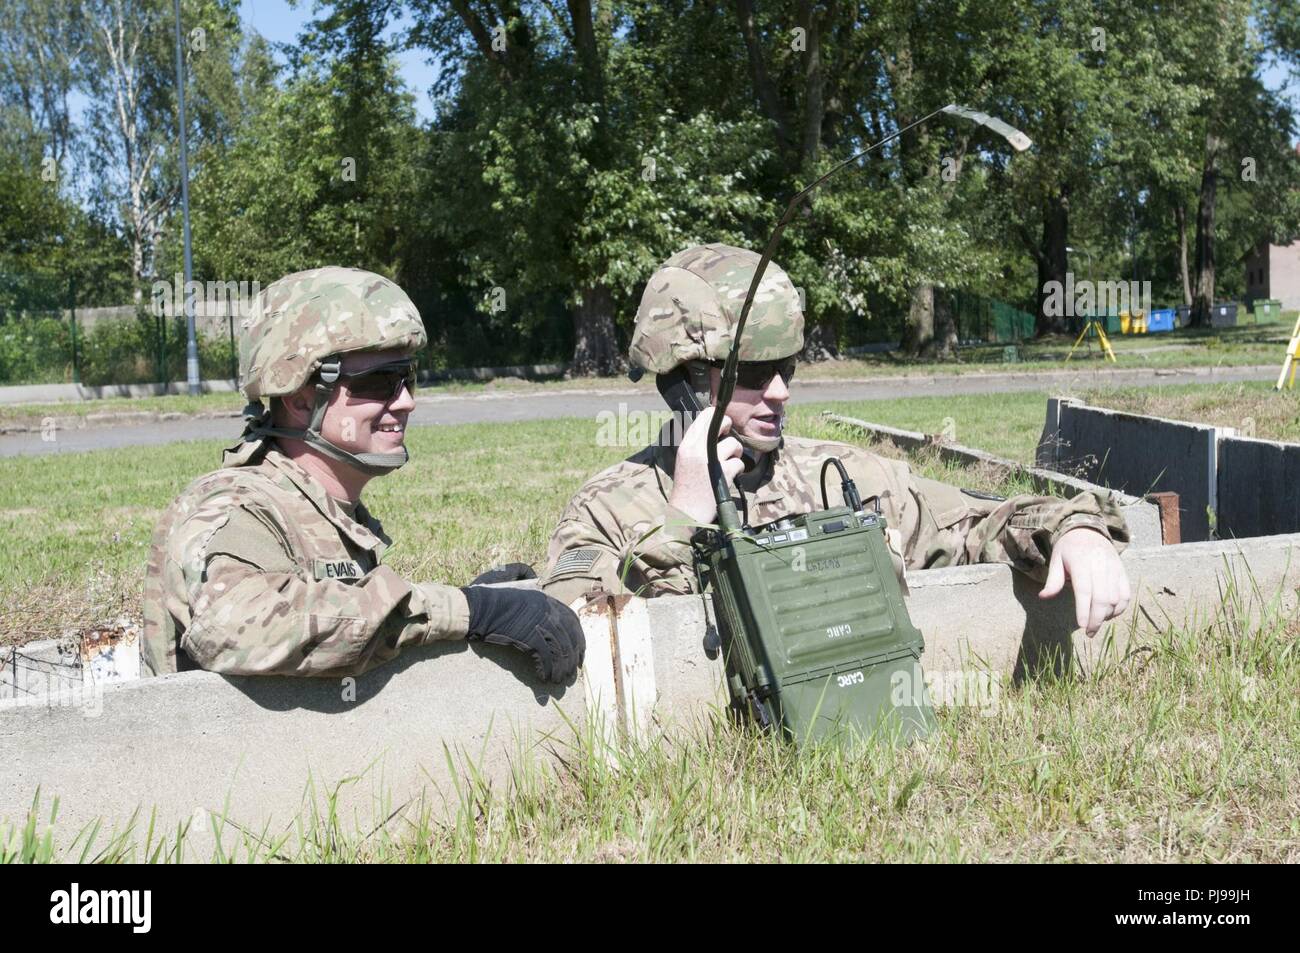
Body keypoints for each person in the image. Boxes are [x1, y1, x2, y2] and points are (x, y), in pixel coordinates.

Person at [542, 244, 1131, 635]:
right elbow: (575, 636)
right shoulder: (610, 510)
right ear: (684, 382)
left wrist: (1074, 529)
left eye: (787, 369)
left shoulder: (846, 477)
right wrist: (682, 523)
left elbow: (977, 523)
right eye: (751, 373)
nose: (779, 393)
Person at [143, 266, 583, 681]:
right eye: (379, 382)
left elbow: (341, 631)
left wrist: (469, 606)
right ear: (299, 398)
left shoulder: (320, 505)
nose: (406, 401)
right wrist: (462, 609)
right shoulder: (236, 507)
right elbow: (237, 629)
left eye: (408, 377)